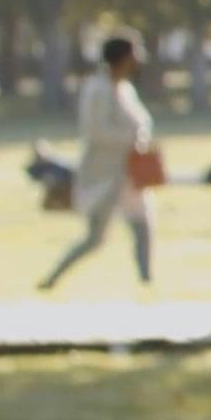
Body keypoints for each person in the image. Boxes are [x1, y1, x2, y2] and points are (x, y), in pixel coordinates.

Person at [42, 36, 157, 289]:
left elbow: (141, 122)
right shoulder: (97, 89)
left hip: (129, 172)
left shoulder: (125, 89)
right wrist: (130, 139)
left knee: (143, 225)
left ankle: (146, 280)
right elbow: (96, 131)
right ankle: (52, 279)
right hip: (104, 175)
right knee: (95, 238)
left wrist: (141, 141)